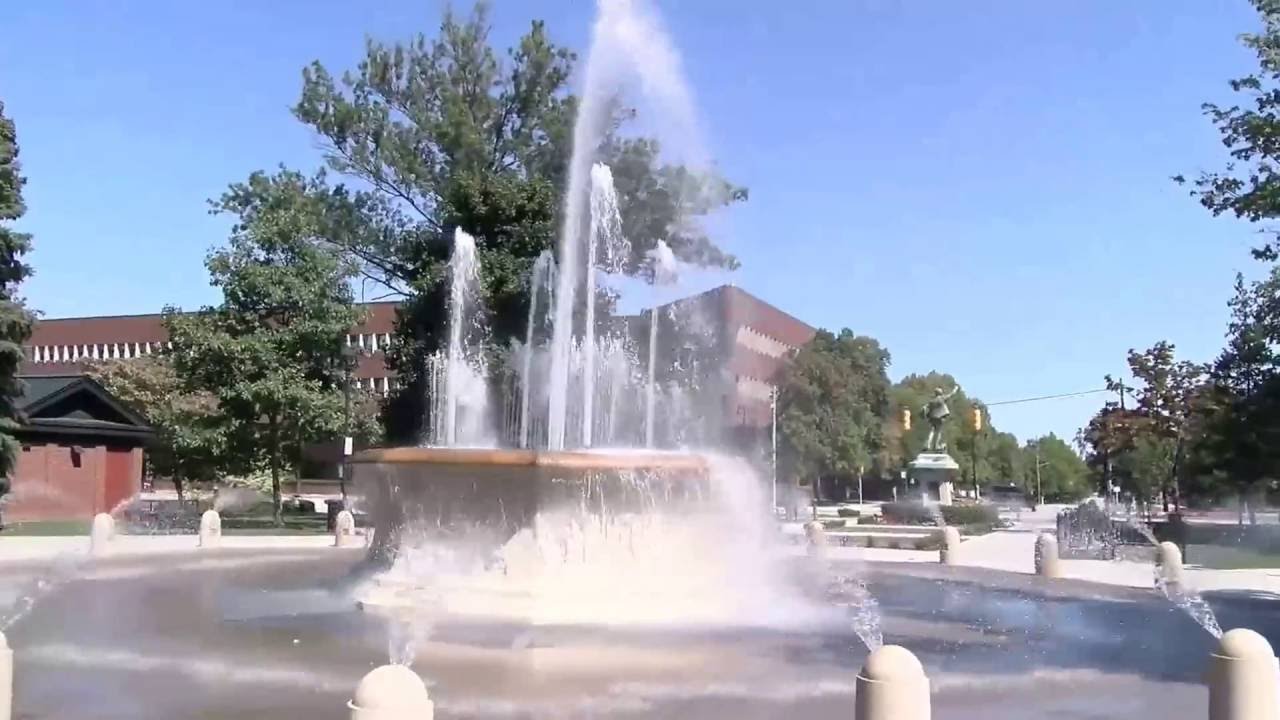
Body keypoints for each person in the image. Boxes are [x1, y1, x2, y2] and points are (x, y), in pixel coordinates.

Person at [922, 385, 960, 452]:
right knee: (939, 431)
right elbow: (951, 394)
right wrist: (955, 389)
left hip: (932, 417)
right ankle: (936, 445)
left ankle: (928, 444)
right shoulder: (942, 398)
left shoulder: (932, 400)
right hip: (940, 417)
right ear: (941, 393)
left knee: (932, 431)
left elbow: (925, 407)